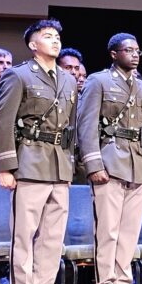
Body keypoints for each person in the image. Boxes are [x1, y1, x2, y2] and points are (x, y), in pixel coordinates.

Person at [0, 19, 76, 284]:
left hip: (59, 165)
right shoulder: (18, 75)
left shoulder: (67, 79)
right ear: (32, 44)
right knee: (24, 235)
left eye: (57, 36)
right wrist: (5, 166)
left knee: (53, 236)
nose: (55, 41)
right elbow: (2, 121)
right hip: (29, 160)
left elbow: (71, 126)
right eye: (48, 36)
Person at [77, 32, 142, 284]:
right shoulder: (99, 81)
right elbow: (87, 125)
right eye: (128, 50)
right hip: (110, 161)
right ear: (114, 54)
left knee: (128, 235)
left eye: (137, 50)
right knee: (108, 232)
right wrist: (94, 164)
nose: (135, 54)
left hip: (137, 165)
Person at [57, 47, 88, 183]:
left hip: (80, 161)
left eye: (76, 68)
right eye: (68, 67)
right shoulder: (53, 95)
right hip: (59, 155)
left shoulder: (86, 100)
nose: (74, 72)